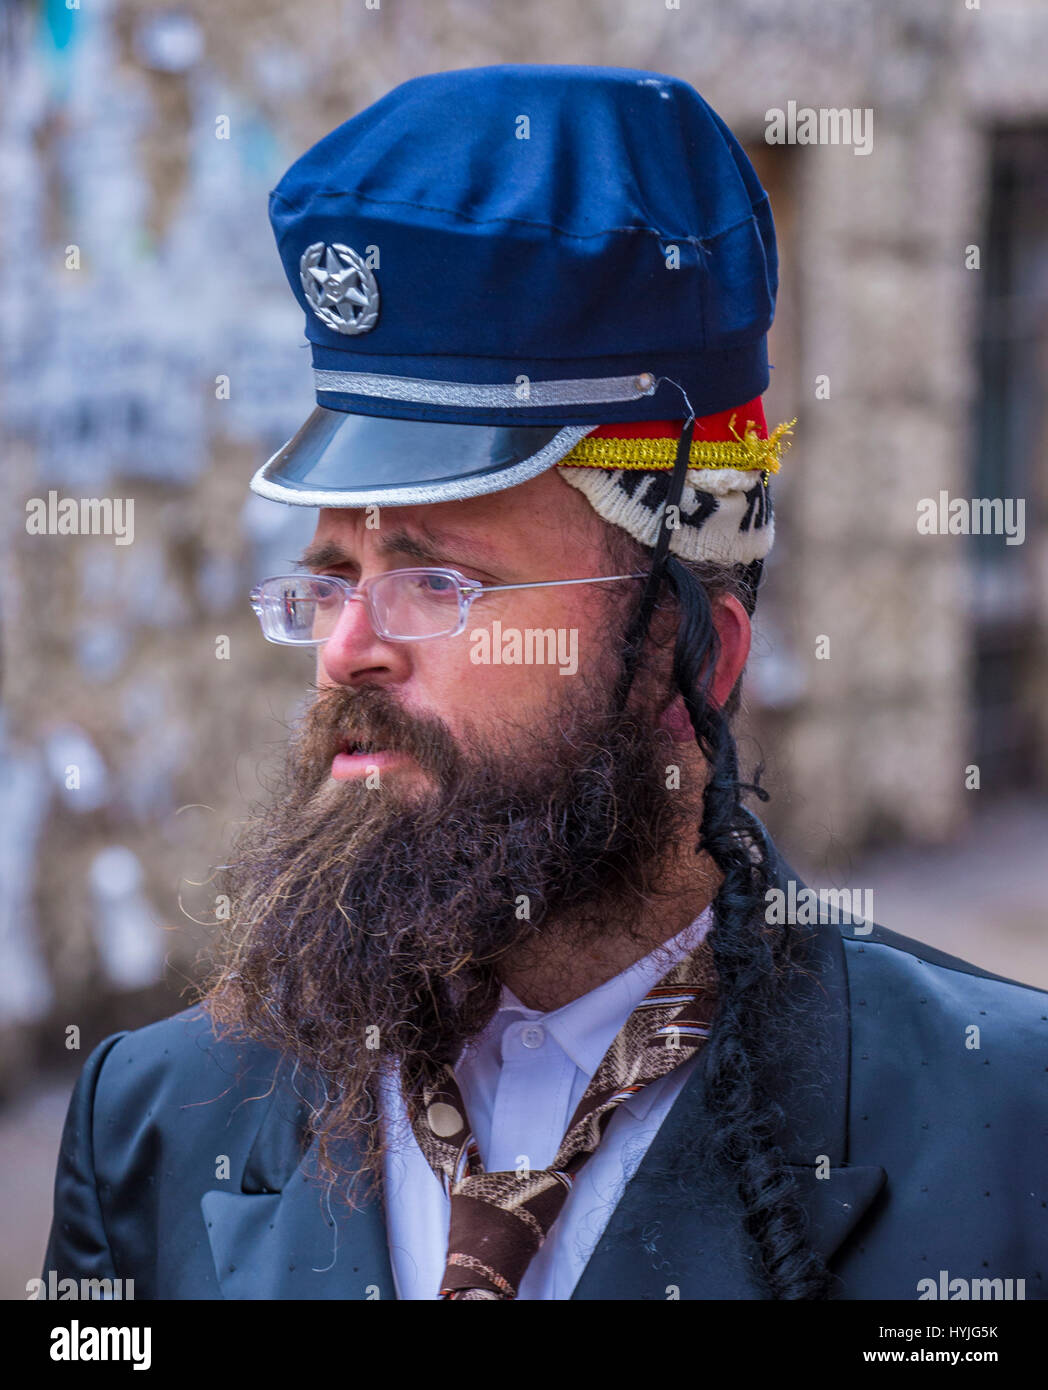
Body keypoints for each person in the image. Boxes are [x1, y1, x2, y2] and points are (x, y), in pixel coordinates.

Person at [42, 64, 1046, 1302]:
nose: (348, 646)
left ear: (694, 658)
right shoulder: (153, 1119)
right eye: (330, 575)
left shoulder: (1006, 1125)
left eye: (436, 581)